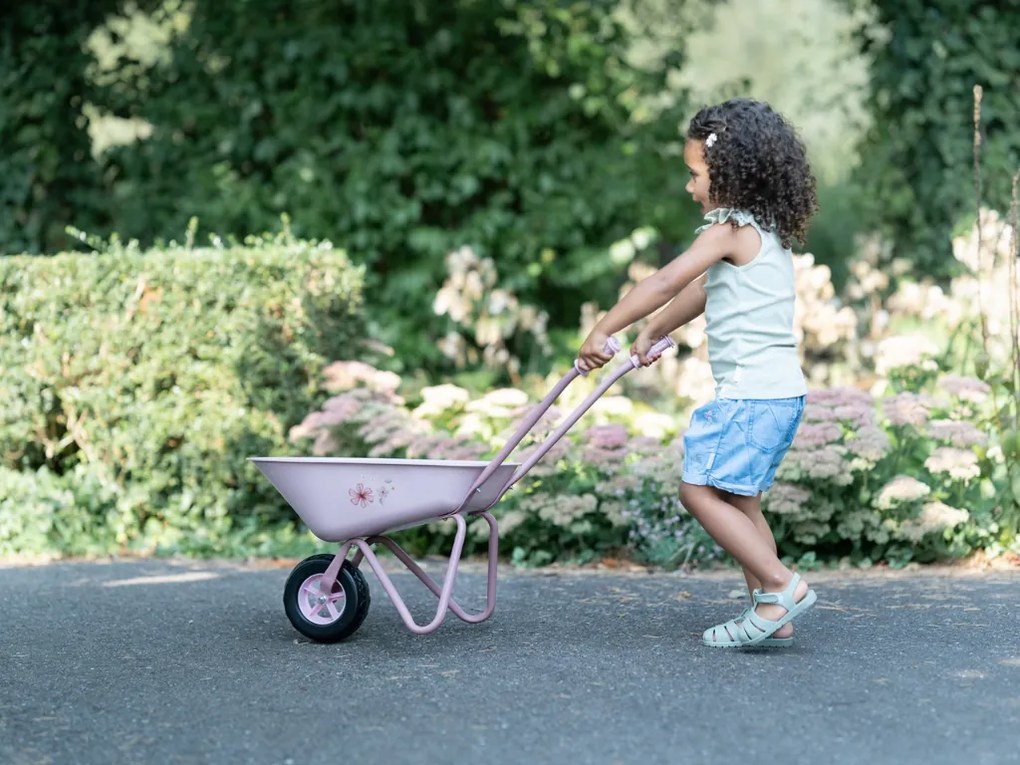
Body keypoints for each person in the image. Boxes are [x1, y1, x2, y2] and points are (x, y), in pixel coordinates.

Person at [577, 98, 819, 648]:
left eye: (695, 175)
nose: (689, 188)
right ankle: (771, 611)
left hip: (750, 397)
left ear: (729, 174)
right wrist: (653, 330)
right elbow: (701, 293)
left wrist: (605, 327)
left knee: (698, 491)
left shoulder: (727, 231)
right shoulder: (764, 231)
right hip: (780, 394)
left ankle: (783, 585)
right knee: (741, 501)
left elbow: (664, 280)